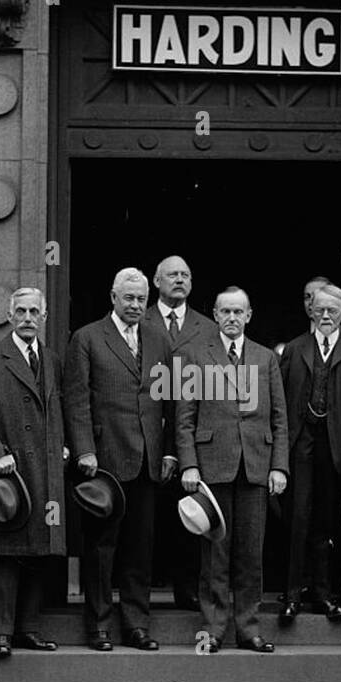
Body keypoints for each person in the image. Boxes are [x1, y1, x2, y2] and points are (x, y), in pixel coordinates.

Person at [64, 268, 177, 651]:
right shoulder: (87, 338)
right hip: (103, 461)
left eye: (140, 299)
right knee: (101, 548)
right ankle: (98, 626)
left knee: (140, 548)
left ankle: (136, 625)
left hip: (147, 458)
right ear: (113, 297)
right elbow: (76, 399)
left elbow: (170, 401)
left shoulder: (160, 340)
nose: (134, 305)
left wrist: (170, 451)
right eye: (127, 298)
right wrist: (84, 450)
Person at [177, 287, 289, 652]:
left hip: (256, 465)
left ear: (249, 315)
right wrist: (189, 464)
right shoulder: (196, 355)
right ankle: (213, 629)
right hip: (211, 465)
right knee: (215, 554)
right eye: (225, 311)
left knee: (251, 553)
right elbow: (184, 418)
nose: (231, 318)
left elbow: (279, 419)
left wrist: (279, 468)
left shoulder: (265, 358)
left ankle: (248, 628)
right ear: (215, 314)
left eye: (238, 312)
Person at [0, 288, 66, 657]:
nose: (27, 318)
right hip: (8, 474)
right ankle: (1, 633)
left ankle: (28, 629)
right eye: (20, 311)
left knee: (37, 551)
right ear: (8, 315)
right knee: (4, 553)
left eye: (34, 311)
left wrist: (62, 445)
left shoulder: (50, 359)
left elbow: (56, 410)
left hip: (44, 470)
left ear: (44, 316)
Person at [278, 284, 341, 625]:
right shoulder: (294, 349)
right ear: (310, 312)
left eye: (332, 310)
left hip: (335, 449)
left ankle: (325, 594)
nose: (325, 316)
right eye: (319, 310)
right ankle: (291, 594)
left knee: (329, 524)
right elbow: (280, 405)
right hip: (300, 445)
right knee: (298, 519)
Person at [149, 255, 210, 610]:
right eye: (172, 274)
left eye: (186, 275)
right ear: (157, 281)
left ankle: (188, 589)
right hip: (144, 435)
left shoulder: (206, 326)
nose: (179, 280)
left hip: (190, 438)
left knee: (190, 517)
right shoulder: (139, 318)